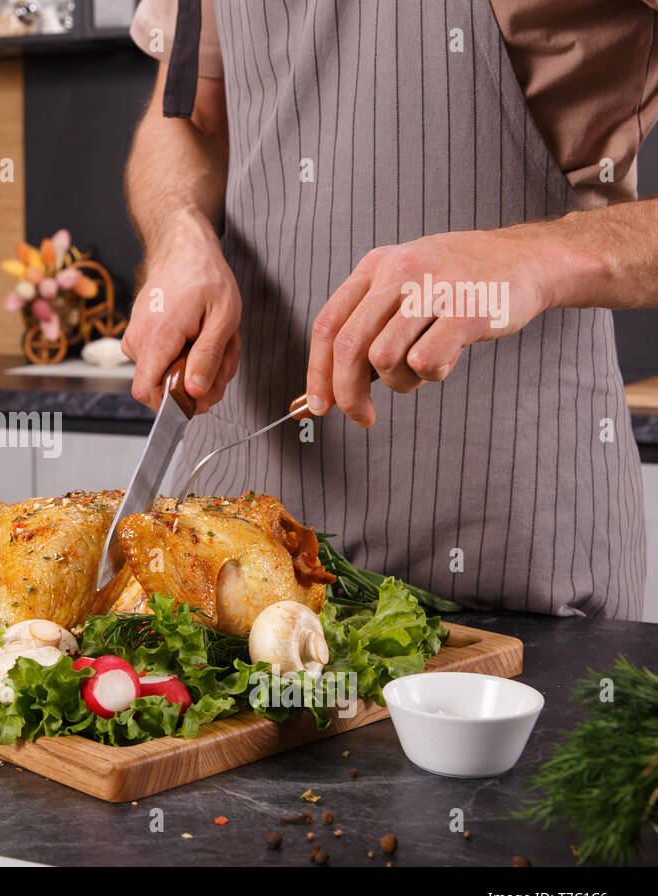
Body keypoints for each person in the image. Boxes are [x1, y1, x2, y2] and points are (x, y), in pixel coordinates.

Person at [121, 0, 654, 618]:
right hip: (228, 559)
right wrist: (178, 235)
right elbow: (188, 117)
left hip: (512, 557)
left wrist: (538, 257)